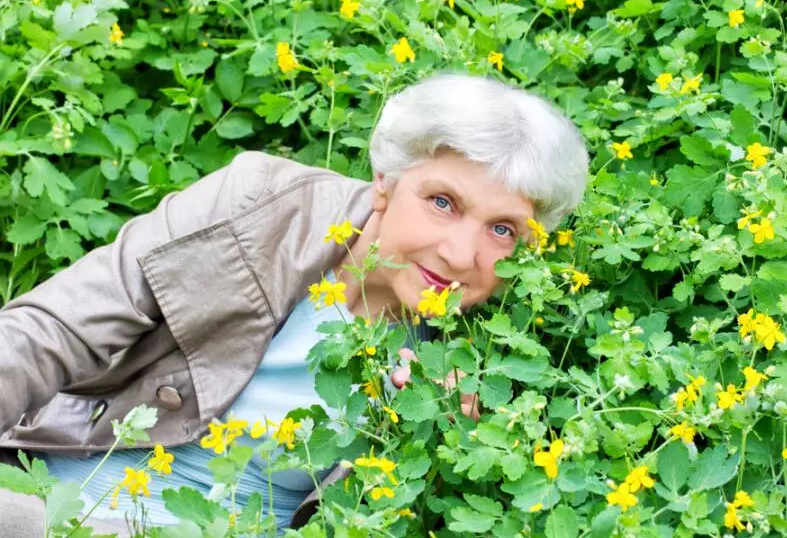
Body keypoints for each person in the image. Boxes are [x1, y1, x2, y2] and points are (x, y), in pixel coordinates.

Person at [0, 73, 589, 535]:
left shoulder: (483, 358)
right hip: (51, 498)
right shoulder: (257, 203)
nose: (462, 254)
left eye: (504, 231)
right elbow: (47, 334)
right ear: (385, 180)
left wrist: (449, 449)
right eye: (442, 201)